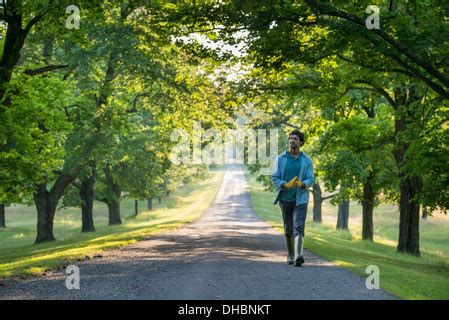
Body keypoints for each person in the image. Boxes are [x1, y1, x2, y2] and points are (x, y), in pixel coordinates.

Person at [271, 130, 314, 267]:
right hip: (285, 198)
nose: (292, 141)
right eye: (290, 138)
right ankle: (290, 255)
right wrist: (284, 184)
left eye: (295, 139)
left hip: (301, 198)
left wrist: (304, 184)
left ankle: (298, 255)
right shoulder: (281, 158)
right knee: (288, 228)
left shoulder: (306, 160)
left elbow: (310, 178)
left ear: (301, 142)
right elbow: (274, 177)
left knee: (299, 226)